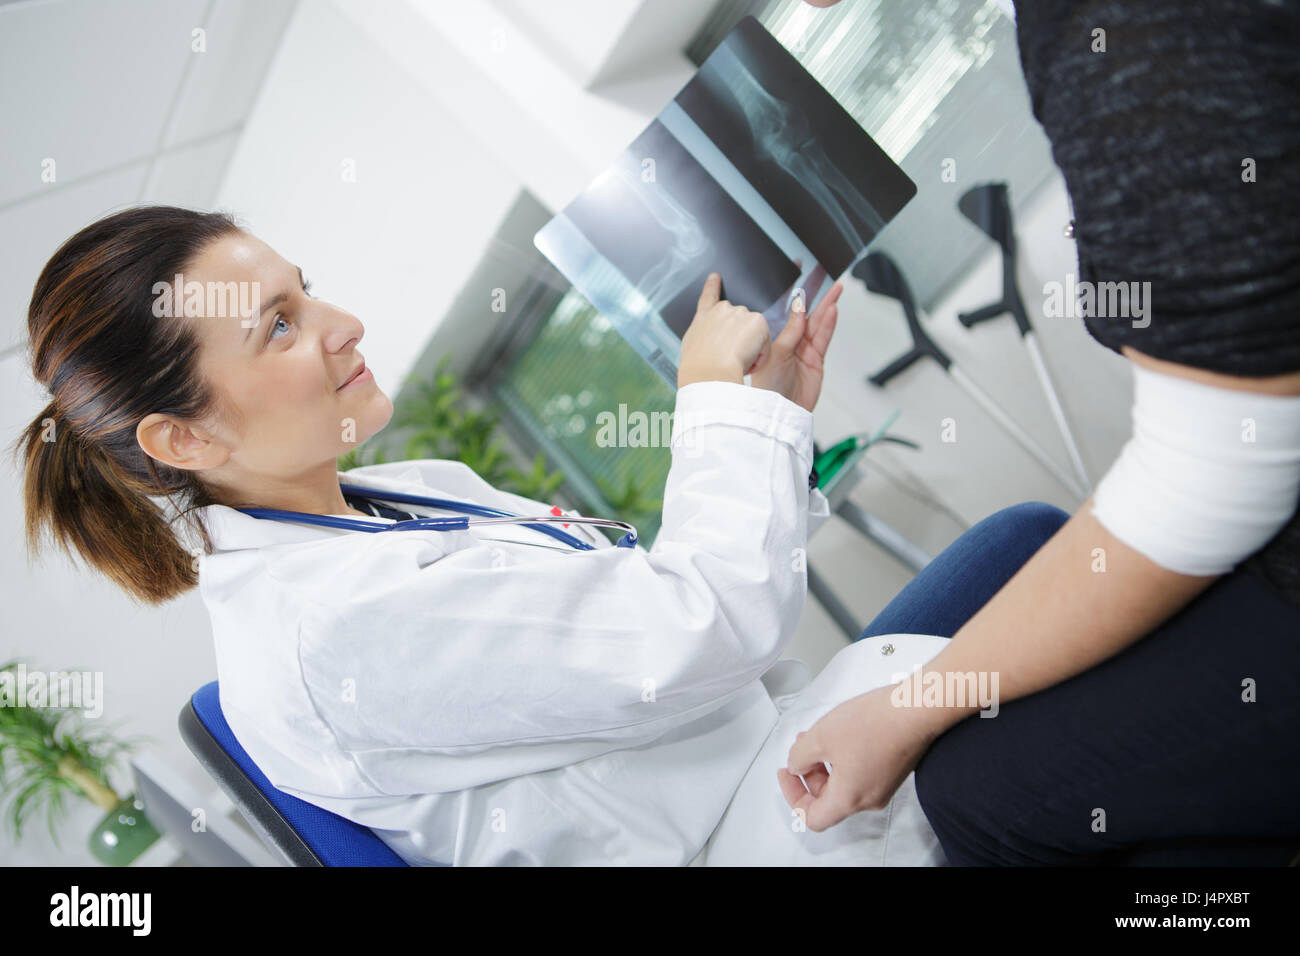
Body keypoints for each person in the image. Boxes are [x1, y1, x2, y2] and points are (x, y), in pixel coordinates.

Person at [18, 204, 957, 865]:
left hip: (771, 758)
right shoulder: (333, 628)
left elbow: (641, 605)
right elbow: (704, 628)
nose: (344, 326)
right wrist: (717, 409)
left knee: (1027, 599)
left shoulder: (399, 496)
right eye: (279, 327)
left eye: (308, 293)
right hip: (749, 836)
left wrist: (771, 419)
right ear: (185, 437)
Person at [785, 0, 1300, 864]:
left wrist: (907, 709)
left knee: (979, 796)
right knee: (1022, 538)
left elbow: (1217, 481)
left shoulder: (1128, 48)